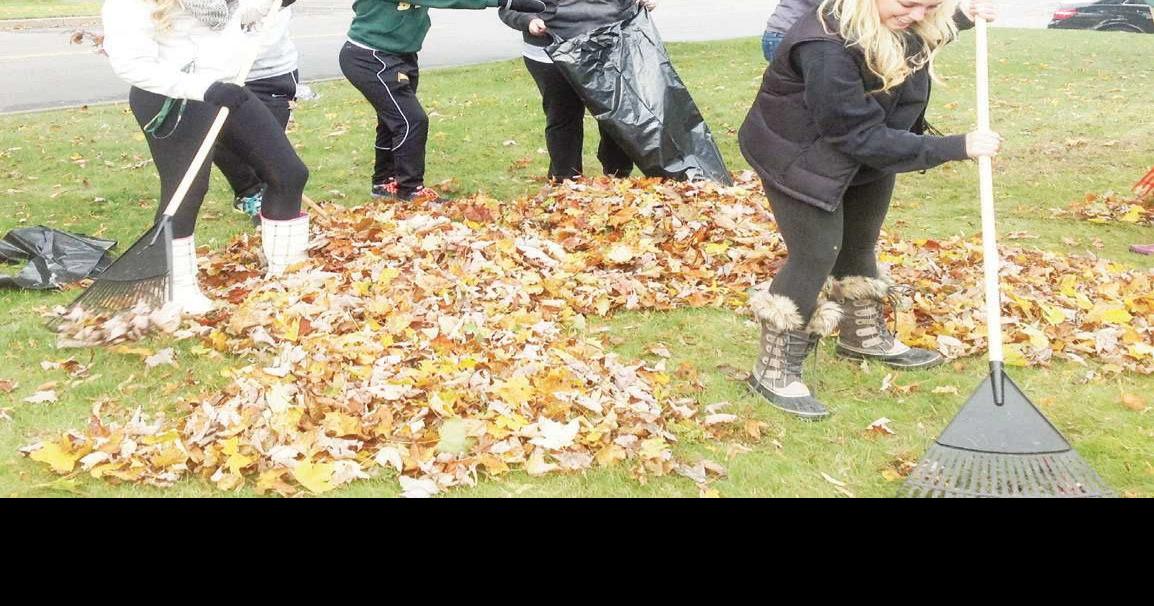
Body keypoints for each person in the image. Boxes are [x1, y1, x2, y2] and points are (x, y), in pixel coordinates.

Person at [737, 0, 1001, 419]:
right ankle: (772, 369)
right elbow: (853, 133)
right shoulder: (824, 45)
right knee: (816, 252)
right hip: (798, 154)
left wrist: (962, 18)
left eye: (929, 6)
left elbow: (917, 37)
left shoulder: (897, 20)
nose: (916, 15)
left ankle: (861, 336)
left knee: (861, 242)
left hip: (869, 150)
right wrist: (955, 147)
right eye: (909, 3)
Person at [102, 0, 311, 316]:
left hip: (227, 87)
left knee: (288, 173)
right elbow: (131, 64)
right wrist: (202, 88)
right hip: (173, 98)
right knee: (186, 192)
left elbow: (238, 15)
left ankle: (287, 276)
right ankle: (180, 291)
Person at [340, 0, 547, 204]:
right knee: (411, 121)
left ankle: (384, 183)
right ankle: (410, 189)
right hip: (369, 56)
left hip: (401, 54)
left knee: (393, 121)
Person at [499, 0, 658, 181]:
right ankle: (565, 180)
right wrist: (528, 21)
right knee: (563, 116)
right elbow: (508, 7)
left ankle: (617, 176)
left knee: (617, 115)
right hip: (550, 52)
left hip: (609, 47)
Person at [213, 0, 303, 226]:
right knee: (215, 139)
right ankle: (249, 193)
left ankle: (270, 217)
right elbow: (226, 16)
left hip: (271, 75)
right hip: (225, 75)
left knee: (269, 155)